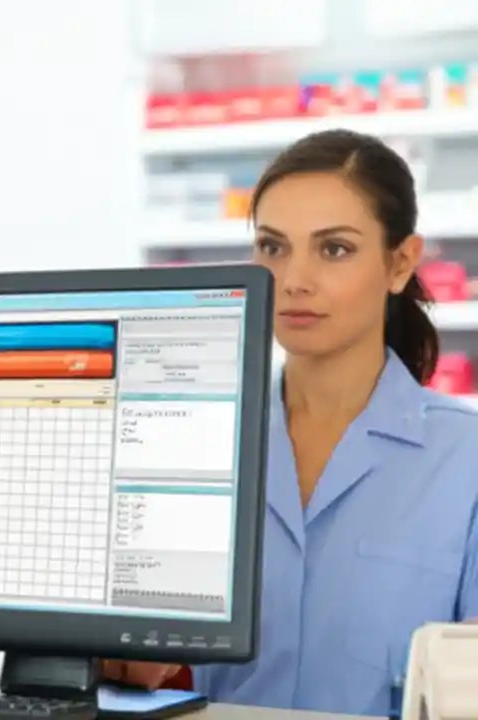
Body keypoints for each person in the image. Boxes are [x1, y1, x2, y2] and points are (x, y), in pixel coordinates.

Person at [104, 129, 478, 717]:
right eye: (274, 248)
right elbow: (139, 658)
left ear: (400, 263)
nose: (294, 280)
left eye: (334, 249)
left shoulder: (466, 460)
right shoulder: (197, 442)